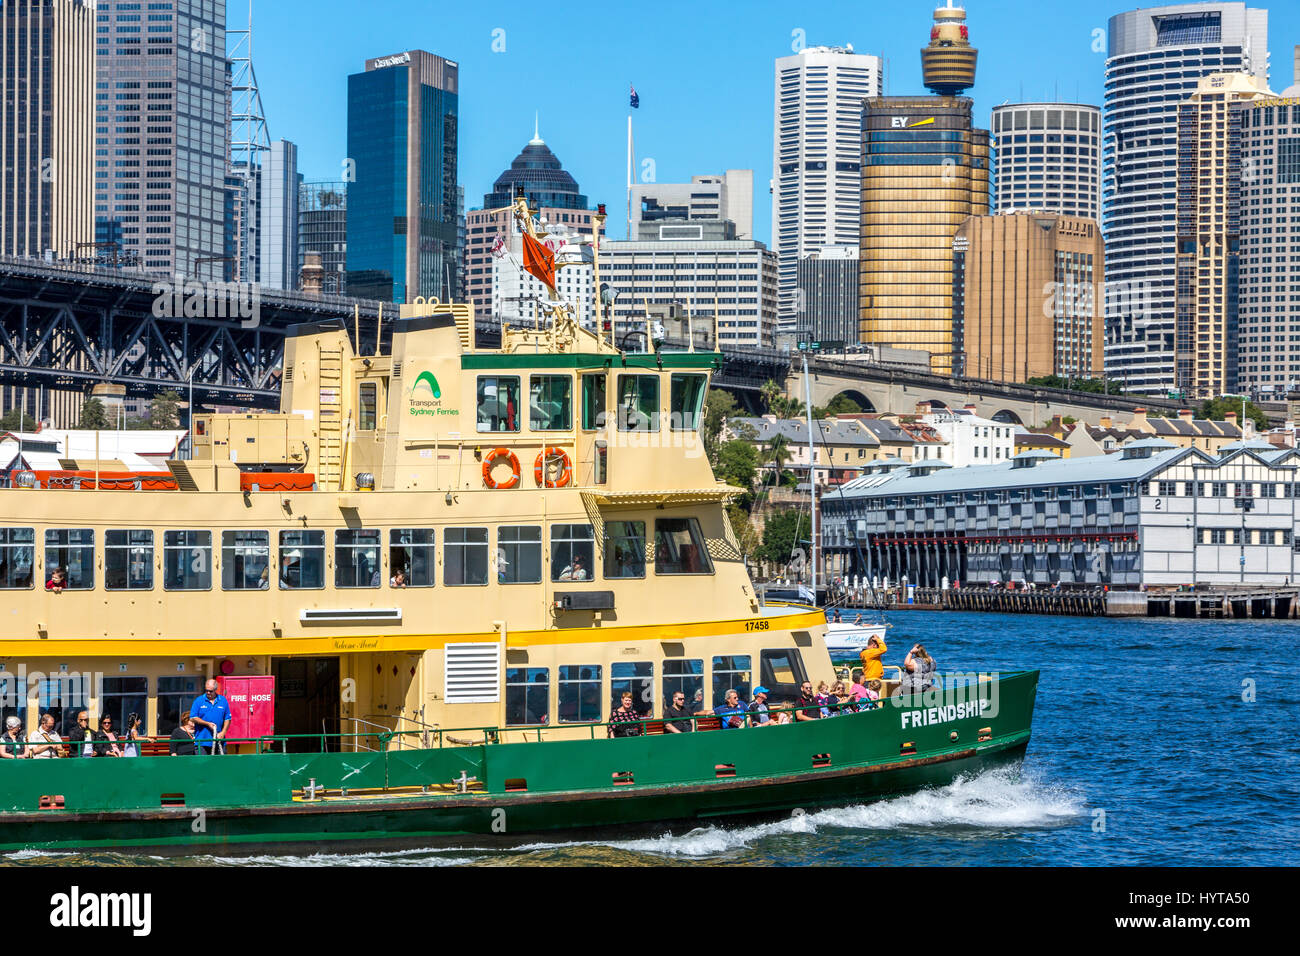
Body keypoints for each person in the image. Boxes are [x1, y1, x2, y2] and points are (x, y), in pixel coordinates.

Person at [189, 679, 232, 754]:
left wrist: (223, 732)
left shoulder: (223, 700)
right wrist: (207, 723)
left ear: (215, 690)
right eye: (206, 690)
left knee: (221, 764)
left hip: (219, 740)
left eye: (211, 691)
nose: (208, 693)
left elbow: (227, 718)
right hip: (202, 742)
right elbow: (192, 717)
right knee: (202, 765)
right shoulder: (198, 701)